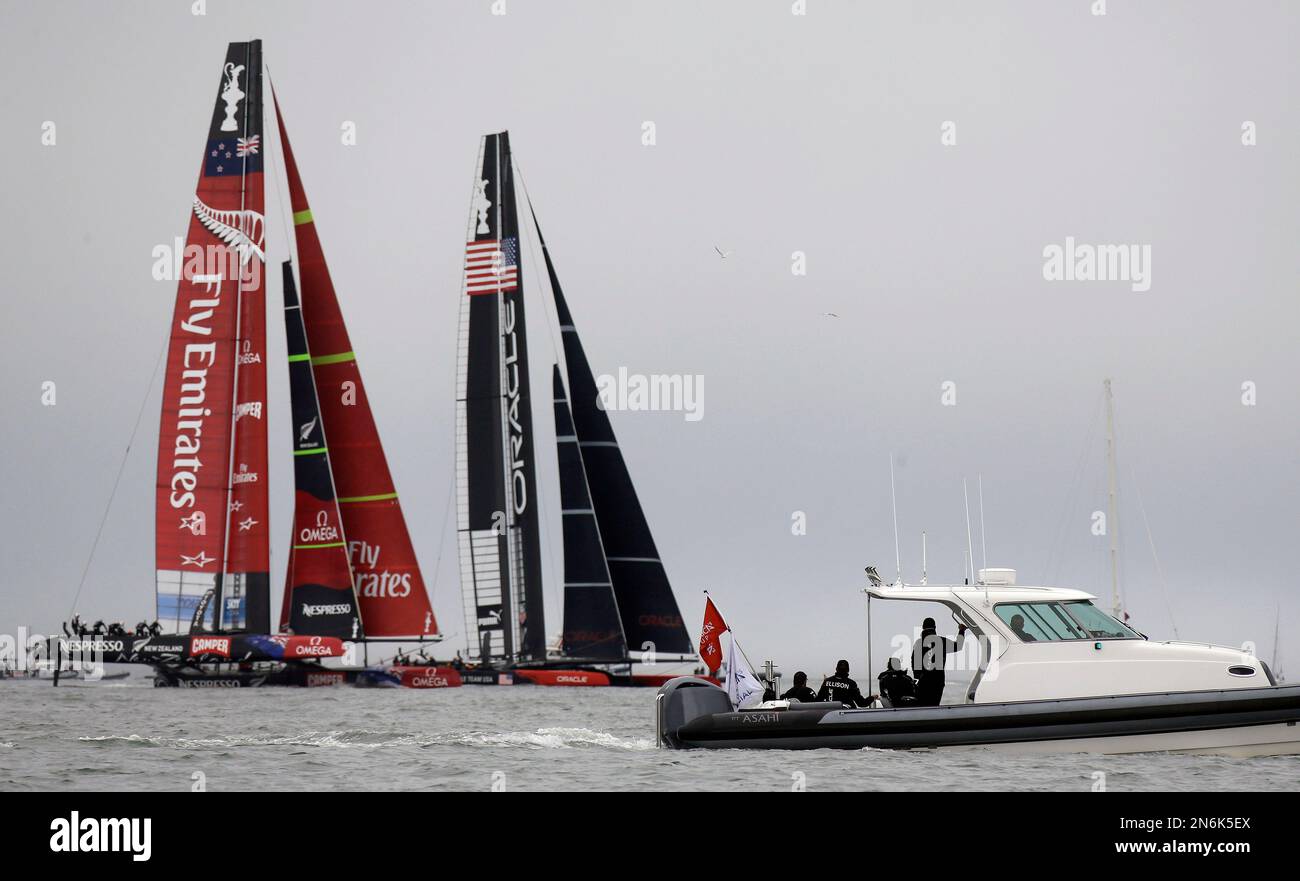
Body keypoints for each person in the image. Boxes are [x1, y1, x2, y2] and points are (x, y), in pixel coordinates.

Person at [911, 617, 966, 707]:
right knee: (934, 707)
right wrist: (961, 631)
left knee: (922, 707)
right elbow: (958, 646)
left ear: (923, 627)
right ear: (935, 627)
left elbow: (914, 661)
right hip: (938, 681)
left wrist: (917, 676)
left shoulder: (919, 643)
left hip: (924, 681)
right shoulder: (942, 641)